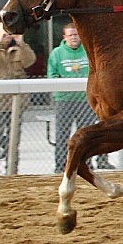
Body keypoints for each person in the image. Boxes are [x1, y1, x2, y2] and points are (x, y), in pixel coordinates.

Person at [0, 22, 37, 177]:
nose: (7, 36)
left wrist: (21, 44)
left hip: (15, 104)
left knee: (14, 141)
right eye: (3, 33)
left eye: (9, 33)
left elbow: (30, 61)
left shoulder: (19, 49)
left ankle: (12, 171)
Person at [47, 23, 98, 171]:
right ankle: (61, 166)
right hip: (64, 101)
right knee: (62, 136)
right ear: (65, 37)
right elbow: (52, 76)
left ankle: (86, 164)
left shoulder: (88, 51)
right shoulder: (56, 53)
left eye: (76, 35)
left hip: (85, 101)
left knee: (86, 136)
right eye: (70, 35)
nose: (74, 38)